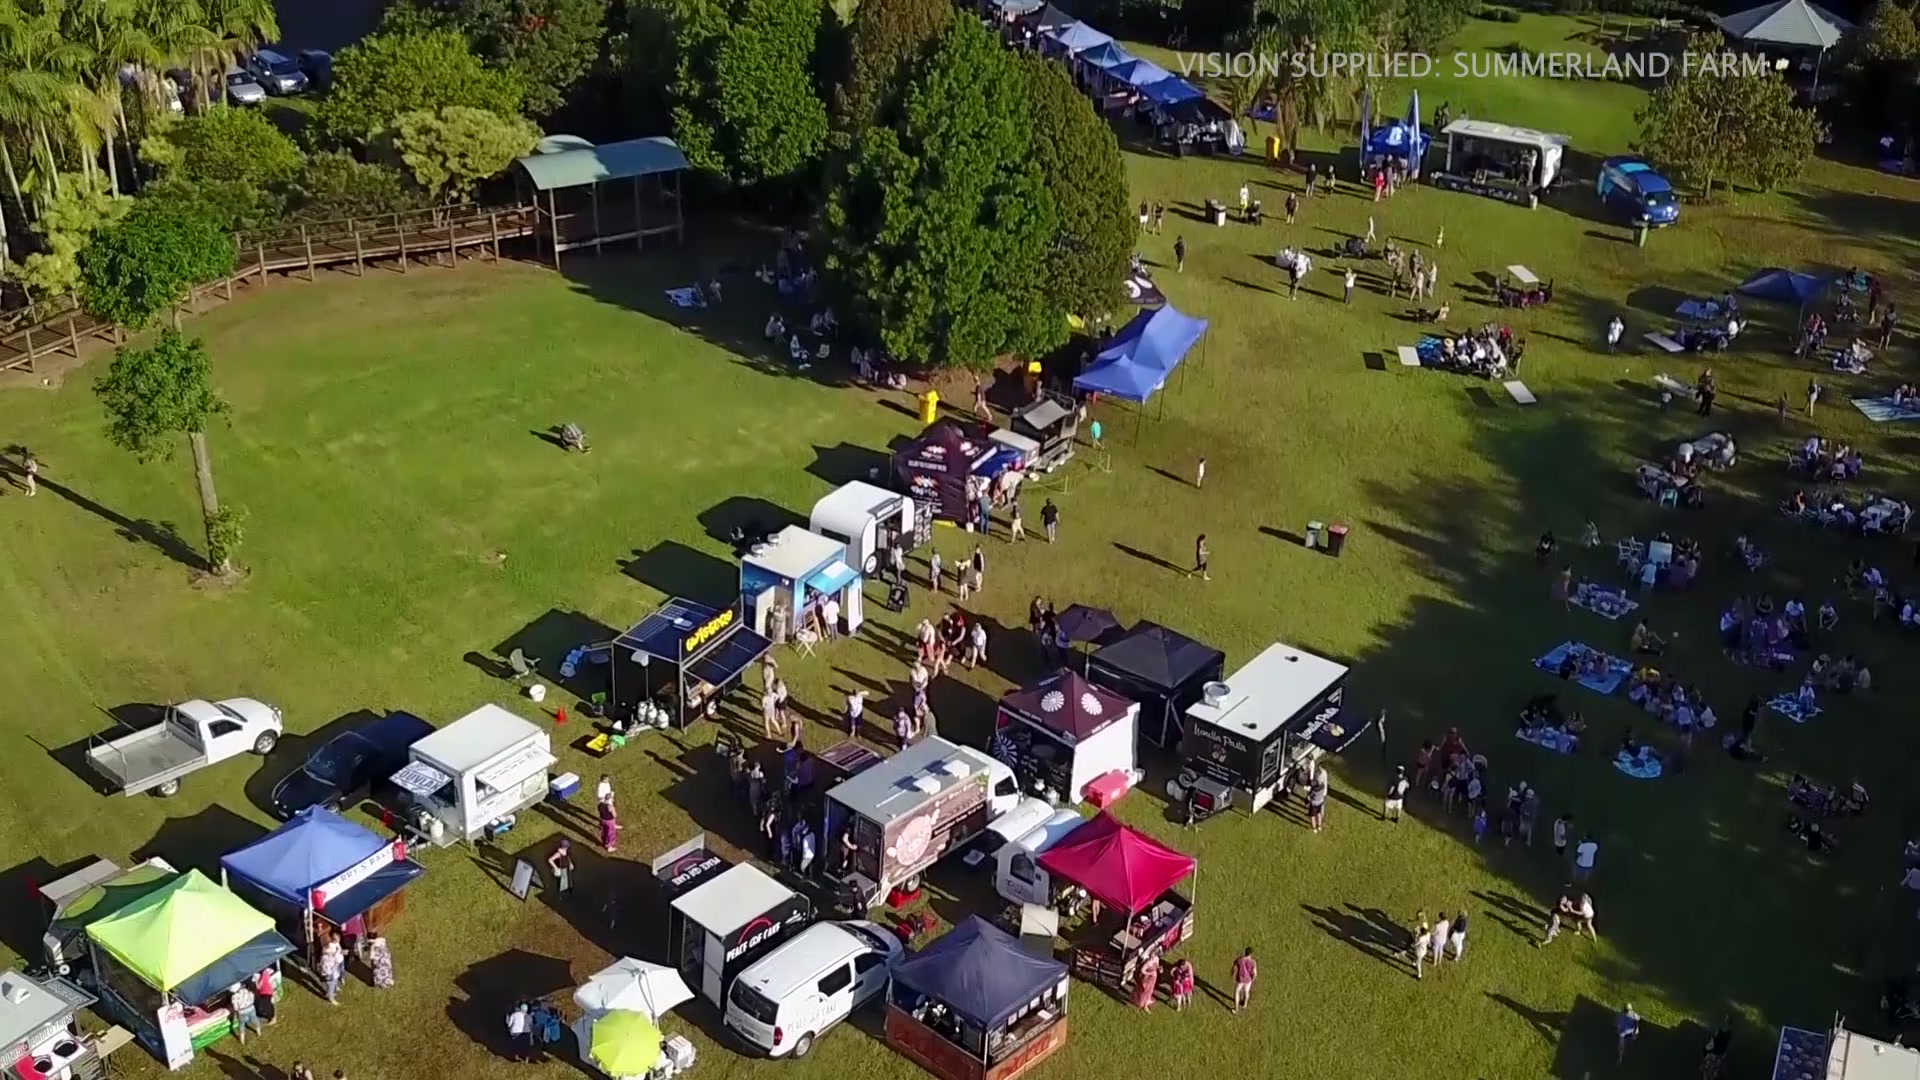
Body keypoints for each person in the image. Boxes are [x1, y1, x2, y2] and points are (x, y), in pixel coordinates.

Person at [319, 935, 346, 1005]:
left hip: (334, 972)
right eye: (329, 943)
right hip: (330, 974)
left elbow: (334, 955)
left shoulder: (328, 950)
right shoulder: (325, 957)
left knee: (334, 983)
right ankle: (331, 998)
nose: (331, 946)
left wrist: (338, 952)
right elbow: (326, 967)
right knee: (330, 986)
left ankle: (333, 992)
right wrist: (329, 973)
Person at [1231, 946, 1257, 1011]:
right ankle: (1245, 1005)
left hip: (1240, 979)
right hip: (1248, 980)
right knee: (1246, 992)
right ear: (1251, 954)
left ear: (1245, 952)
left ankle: (1236, 1008)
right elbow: (1255, 973)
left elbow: (1234, 967)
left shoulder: (1239, 959)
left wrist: (1232, 973)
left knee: (1237, 992)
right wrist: (1252, 979)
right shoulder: (1253, 962)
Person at [1307, 765, 1329, 833]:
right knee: (1319, 813)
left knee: (1312, 816)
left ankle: (1314, 828)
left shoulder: (1314, 788)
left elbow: (1310, 795)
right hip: (1320, 801)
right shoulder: (1322, 785)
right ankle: (1319, 826)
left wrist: (1308, 795)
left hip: (1314, 803)